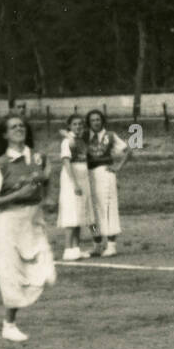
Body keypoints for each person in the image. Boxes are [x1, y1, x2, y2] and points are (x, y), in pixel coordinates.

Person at [0, 115, 56, 342]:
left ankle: (11, 320)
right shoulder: (0, 164)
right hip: (9, 222)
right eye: (13, 127)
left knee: (46, 273)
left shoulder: (38, 158)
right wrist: (18, 194)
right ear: (4, 135)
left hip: (33, 220)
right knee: (12, 273)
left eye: (22, 126)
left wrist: (47, 195)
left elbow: (44, 181)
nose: (19, 129)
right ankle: (9, 325)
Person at [85, 110, 132, 257]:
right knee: (91, 211)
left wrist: (118, 166)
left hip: (105, 174)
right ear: (89, 122)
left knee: (108, 208)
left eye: (98, 119)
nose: (96, 122)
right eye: (93, 120)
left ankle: (111, 245)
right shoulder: (85, 136)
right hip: (88, 174)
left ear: (102, 121)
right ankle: (97, 244)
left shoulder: (110, 136)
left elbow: (128, 150)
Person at [57, 114, 98, 261]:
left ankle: (76, 248)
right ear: (69, 126)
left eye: (80, 124)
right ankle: (68, 249)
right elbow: (66, 163)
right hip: (72, 179)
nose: (78, 126)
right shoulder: (67, 141)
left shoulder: (81, 140)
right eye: (74, 124)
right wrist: (74, 184)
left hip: (83, 178)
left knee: (79, 214)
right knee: (71, 214)